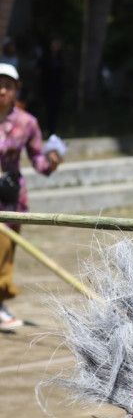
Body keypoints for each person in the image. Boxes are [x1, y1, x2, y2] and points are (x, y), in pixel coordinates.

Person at [0, 63, 61, 331]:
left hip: (10, 197)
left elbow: (38, 160)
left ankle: (1, 302)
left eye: (8, 86)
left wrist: (52, 160)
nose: (2, 91)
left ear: (16, 90)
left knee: (4, 251)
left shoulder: (27, 123)